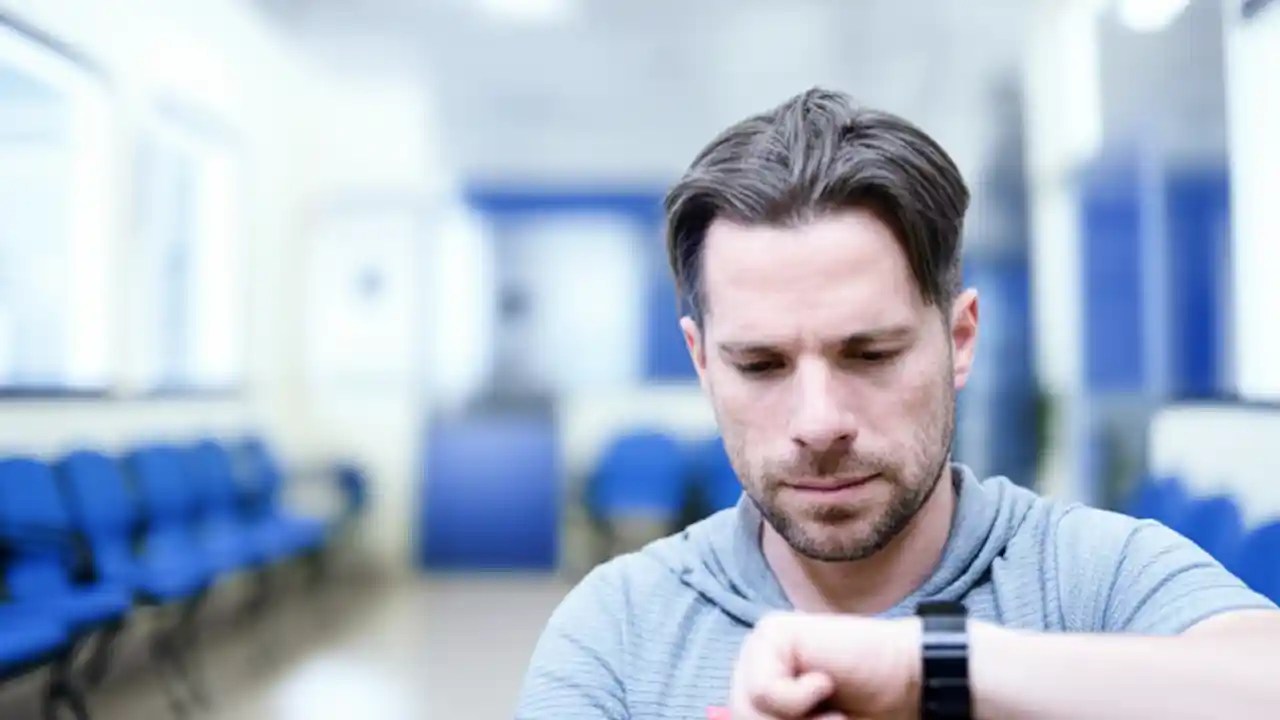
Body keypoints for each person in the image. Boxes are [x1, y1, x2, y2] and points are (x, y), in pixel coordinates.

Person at [515, 88, 1279, 719]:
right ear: (702, 364)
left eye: (869, 354)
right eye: (760, 364)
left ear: (961, 338)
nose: (818, 423)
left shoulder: (1089, 578)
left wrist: (925, 667)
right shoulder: (618, 630)